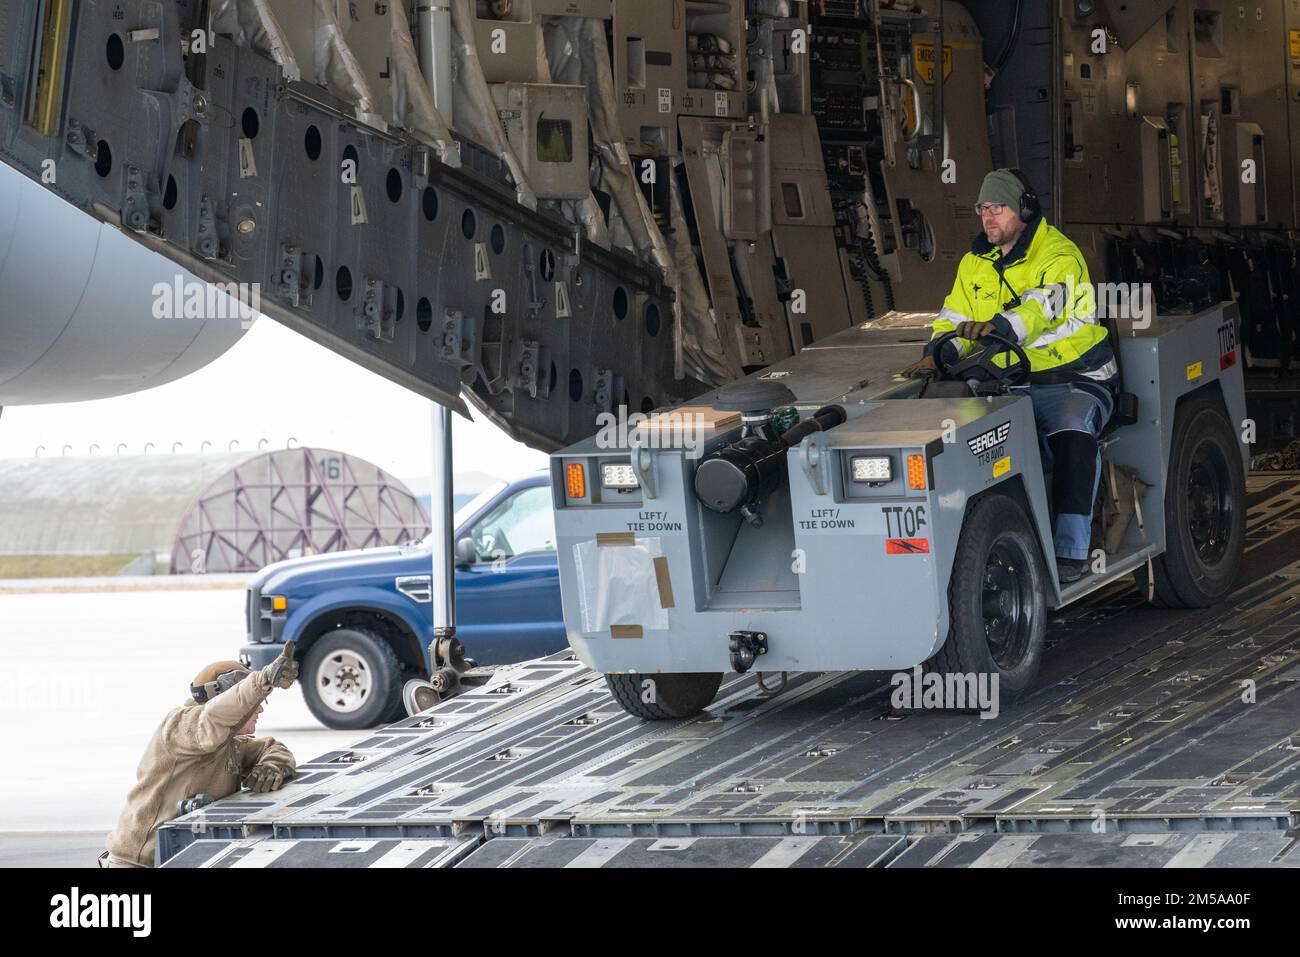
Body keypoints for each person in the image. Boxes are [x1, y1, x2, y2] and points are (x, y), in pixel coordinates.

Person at [902, 168, 1119, 584]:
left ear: (1023, 209)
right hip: (1008, 384)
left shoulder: (1059, 254)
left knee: (1072, 436)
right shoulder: (974, 264)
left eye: (998, 208)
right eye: (983, 209)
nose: (989, 217)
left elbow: (1041, 308)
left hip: (1072, 380)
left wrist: (999, 328)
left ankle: (1070, 551)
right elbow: (955, 317)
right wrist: (937, 353)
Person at [100, 643, 299, 867]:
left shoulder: (230, 744)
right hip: (140, 864)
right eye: (254, 703)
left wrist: (272, 766)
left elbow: (273, 748)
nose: (260, 709)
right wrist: (262, 681)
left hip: (180, 859)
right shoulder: (181, 726)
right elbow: (215, 717)